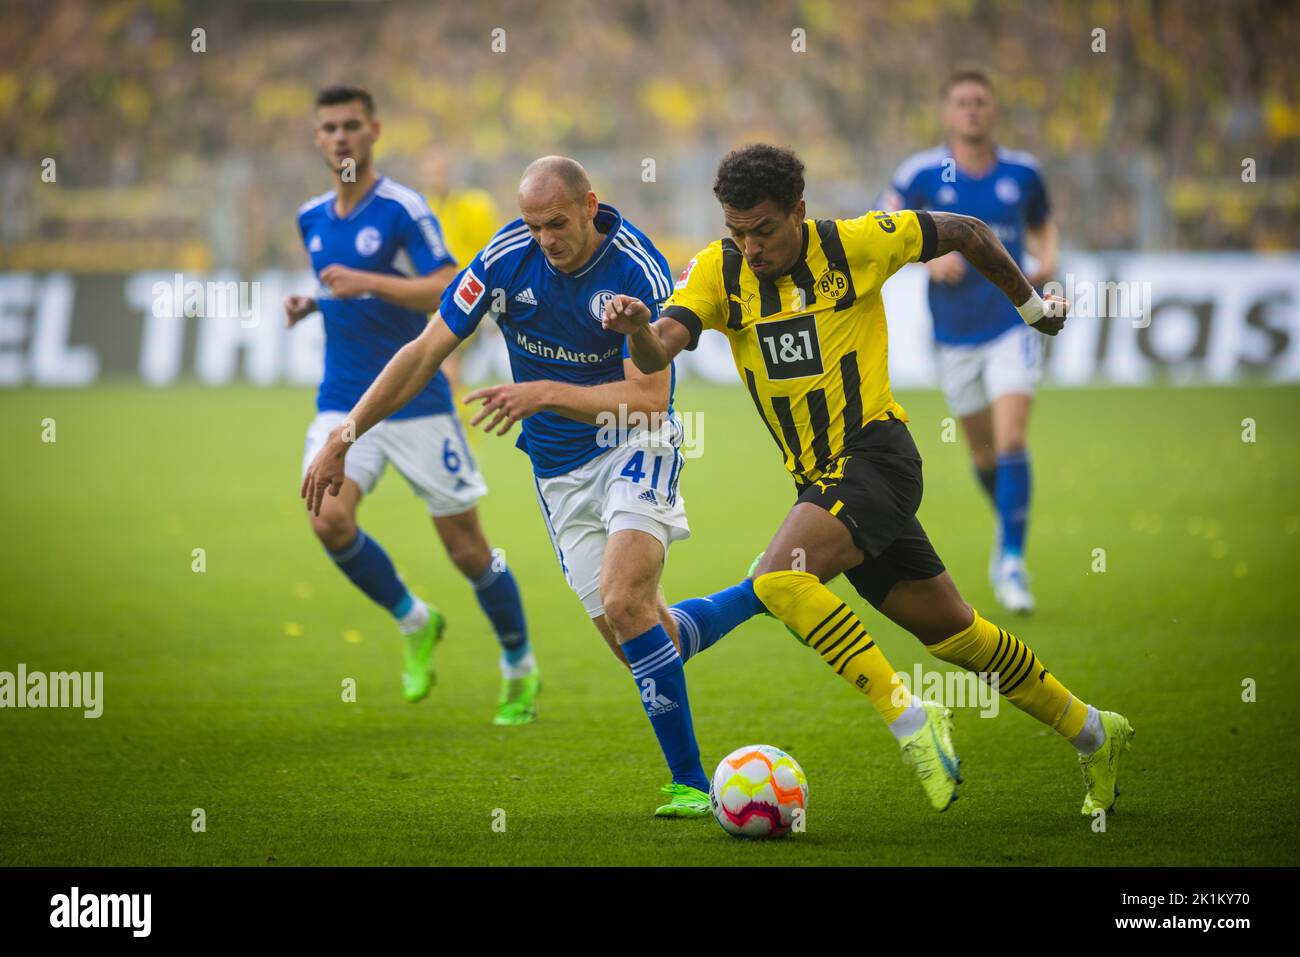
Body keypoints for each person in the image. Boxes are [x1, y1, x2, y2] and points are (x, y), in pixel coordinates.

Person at [605, 144, 1133, 816]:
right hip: (820, 481)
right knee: (956, 634)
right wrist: (637, 333)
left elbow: (969, 232)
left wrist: (1030, 309)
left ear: (798, 211)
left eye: (763, 229)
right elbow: (664, 344)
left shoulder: (856, 243)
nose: (751, 245)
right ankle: (1094, 730)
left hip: (877, 456)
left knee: (779, 578)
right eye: (738, 230)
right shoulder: (718, 270)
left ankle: (912, 720)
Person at [302, 155, 764, 818]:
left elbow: (649, 399)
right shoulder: (502, 259)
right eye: (533, 224)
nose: (546, 238)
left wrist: (544, 390)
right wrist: (344, 436)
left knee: (623, 598)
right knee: (644, 637)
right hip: (558, 470)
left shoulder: (637, 267)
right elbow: (423, 353)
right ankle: (757, 593)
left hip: (633, 444)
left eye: (556, 223)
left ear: (588, 206)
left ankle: (691, 783)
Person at [286, 86, 535, 723]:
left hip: (419, 401)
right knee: (328, 519)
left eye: (350, 126)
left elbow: (448, 288)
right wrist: (314, 302)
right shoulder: (312, 216)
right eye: (328, 128)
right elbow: (342, 289)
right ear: (317, 139)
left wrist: (368, 281)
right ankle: (415, 619)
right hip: (344, 401)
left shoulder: (402, 209)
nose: (339, 138)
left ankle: (518, 663)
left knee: (468, 551)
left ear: (373, 131)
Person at [881, 68, 1059, 613]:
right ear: (947, 113)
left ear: (994, 109)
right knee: (983, 454)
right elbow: (887, 221)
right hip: (954, 334)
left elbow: (1043, 223)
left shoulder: (1023, 173)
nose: (973, 110)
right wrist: (926, 263)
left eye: (981, 101)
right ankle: (1010, 516)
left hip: (1013, 322)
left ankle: (1010, 559)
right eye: (962, 102)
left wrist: (1047, 260)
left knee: (1010, 441)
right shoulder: (921, 171)